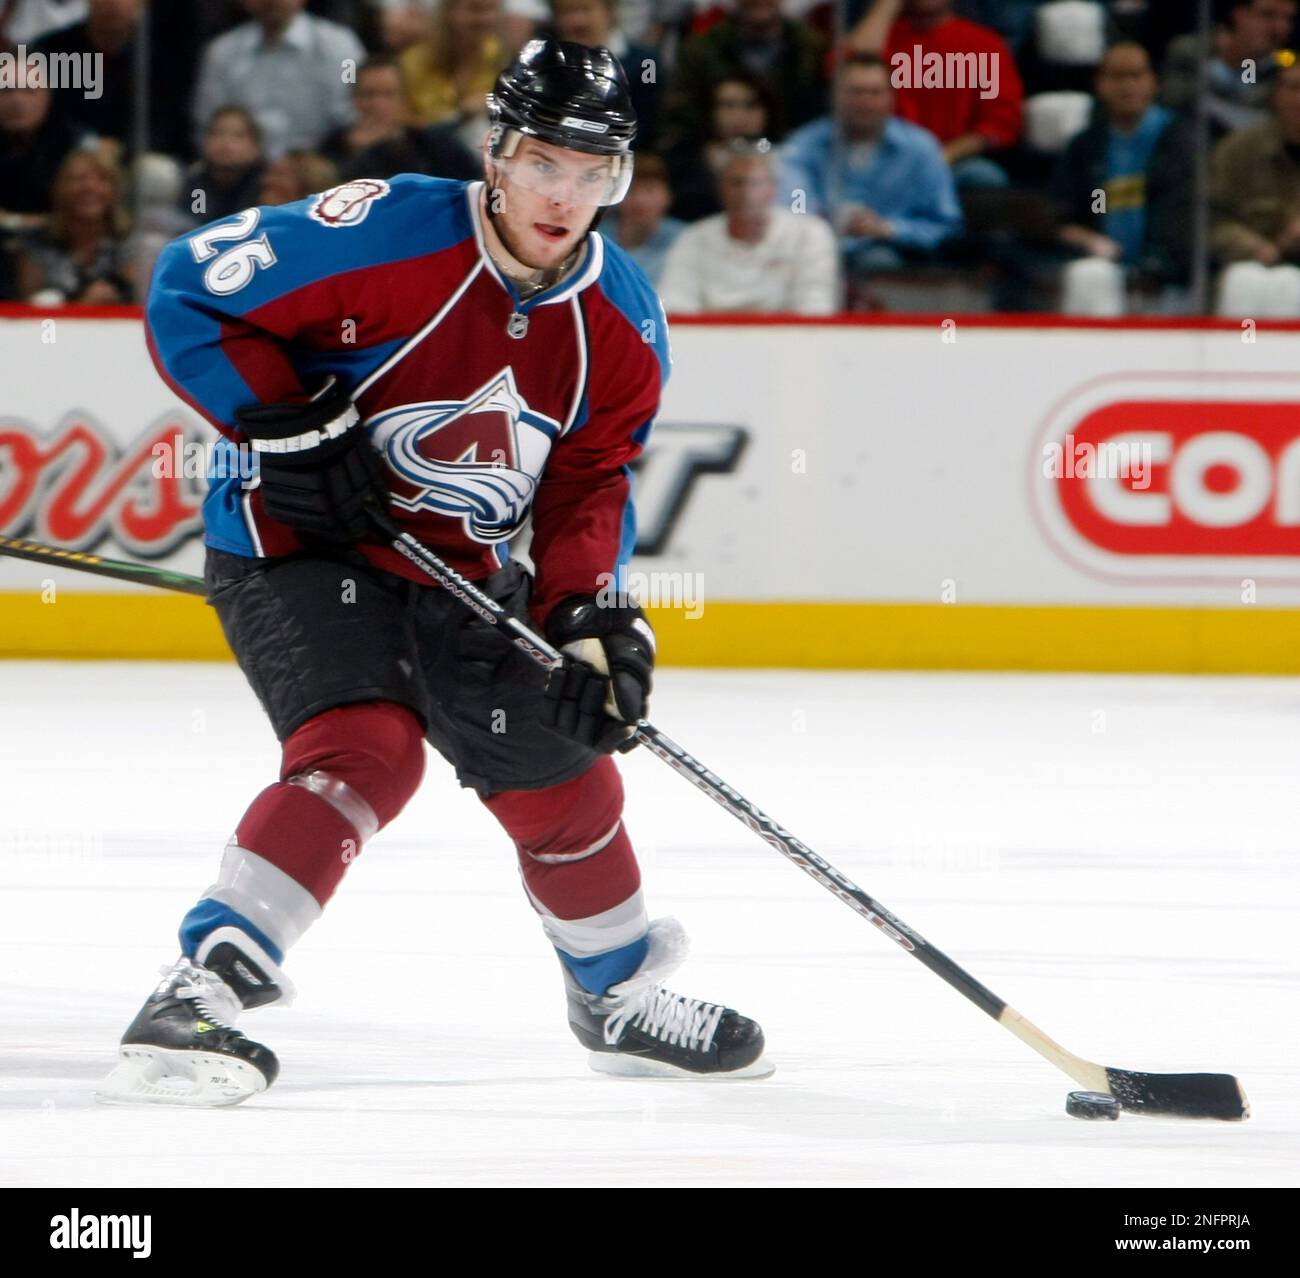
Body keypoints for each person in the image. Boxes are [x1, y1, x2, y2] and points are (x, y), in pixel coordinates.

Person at [101, 39, 768, 1107]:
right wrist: (289, 429)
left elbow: (586, 483)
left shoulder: (623, 325)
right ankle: (204, 989)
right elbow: (188, 290)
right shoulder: (384, 228)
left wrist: (587, 611)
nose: (566, 195)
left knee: (559, 760)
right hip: (296, 542)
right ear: (497, 155)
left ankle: (615, 995)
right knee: (367, 749)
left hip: (456, 564)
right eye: (546, 162)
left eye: (594, 171)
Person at [779, 52, 962, 279]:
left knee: (880, 260)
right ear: (834, 96)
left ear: (891, 98)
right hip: (815, 253)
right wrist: (823, 223)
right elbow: (792, 207)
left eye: (875, 93)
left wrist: (889, 228)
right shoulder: (802, 146)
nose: (865, 102)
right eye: (855, 92)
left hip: (891, 257)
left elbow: (944, 225)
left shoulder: (921, 149)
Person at [1050, 42, 1193, 315]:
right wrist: (1087, 240)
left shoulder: (1180, 140)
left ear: (1154, 82)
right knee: (1089, 275)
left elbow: (1184, 213)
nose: (1128, 86)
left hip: (1170, 276)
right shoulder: (1086, 145)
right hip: (1106, 269)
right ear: (1100, 84)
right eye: (1117, 77)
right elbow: (1060, 214)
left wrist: (1158, 261)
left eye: (1137, 76)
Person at [847, 0, 1024, 190]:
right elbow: (843, 69)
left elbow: (1002, 122)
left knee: (983, 176)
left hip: (951, 163)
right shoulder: (880, 38)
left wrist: (940, 157)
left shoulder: (984, 43)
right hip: (880, 159)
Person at [659, 138, 840, 313]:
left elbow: (816, 308)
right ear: (720, 188)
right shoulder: (693, 239)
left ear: (773, 187)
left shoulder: (810, 234)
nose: (746, 193)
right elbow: (675, 306)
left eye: (756, 183)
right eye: (737, 183)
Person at [191, 0, 367, 159]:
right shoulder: (222, 52)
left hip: (322, 165)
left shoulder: (342, 48)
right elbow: (208, 122)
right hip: (243, 169)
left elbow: (351, 114)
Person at [1211, 61, 1300, 316]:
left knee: (1289, 283)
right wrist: (1253, 247)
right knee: (1245, 279)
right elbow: (1212, 220)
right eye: (1293, 88)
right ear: (1274, 95)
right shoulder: (1238, 150)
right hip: (1248, 264)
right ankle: (1236, 353)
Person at [1163, 0, 1297, 141]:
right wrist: (1223, 66)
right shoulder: (1191, 50)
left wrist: (1245, 65)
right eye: (1268, 15)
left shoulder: (1285, 67)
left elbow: (1262, 119)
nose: (1280, 29)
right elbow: (1171, 101)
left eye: (1287, 19)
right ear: (1239, 14)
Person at [14, 146, 134, 302]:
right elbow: (25, 314)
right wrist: (84, 306)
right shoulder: (36, 245)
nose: (90, 187)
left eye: (102, 179)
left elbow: (143, 305)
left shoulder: (131, 244)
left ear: (115, 191)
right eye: (78, 179)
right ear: (60, 189)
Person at [548, 0, 661, 148]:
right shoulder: (547, 64)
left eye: (585, 9)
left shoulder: (647, 62)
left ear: (609, 12)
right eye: (567, 12)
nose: (577, 21)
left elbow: (651, 119)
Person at [667, 72, 774, 221]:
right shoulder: (683, 159)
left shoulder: (788, 156)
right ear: (711, 111)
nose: (739, 114)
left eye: (750, 105)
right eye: (728, 105)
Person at [400, 0, 509, 126]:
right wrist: (460, 114)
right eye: (475, 9)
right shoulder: (414, 62)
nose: (486, 19)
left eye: (491, 10)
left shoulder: (499, 54)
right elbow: (400, 119)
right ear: (449, 12)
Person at [603, 151, 682, 284]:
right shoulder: (597, 237)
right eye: (630, 190)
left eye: (649, 190)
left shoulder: (685, 237)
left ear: (668, 195)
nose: (639, 200)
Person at [180, 107, 267, 225]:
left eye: (238, 135)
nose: (225, 142)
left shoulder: (268, 185)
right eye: (218, 133)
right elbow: (194, 223)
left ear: (255, 146)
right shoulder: (197, 184)